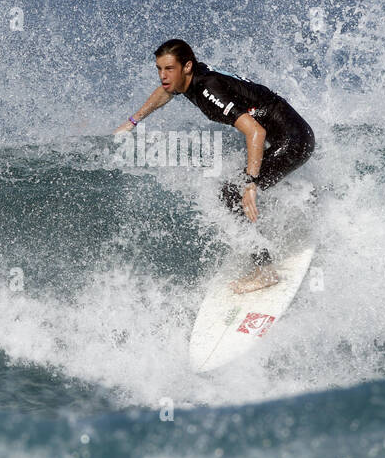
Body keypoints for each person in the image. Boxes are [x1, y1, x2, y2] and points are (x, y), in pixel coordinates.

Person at [114, 39, 315, 293]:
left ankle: (265, 272)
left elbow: (256, 132)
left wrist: (251, 183)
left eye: (169, 69)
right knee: (240, 184)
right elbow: (166, 91)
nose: (163, 76)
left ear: (187, 67)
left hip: (293, 141)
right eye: (159, 69)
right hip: (288, 132)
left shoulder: (208, 91)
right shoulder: (189, 79)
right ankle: (301, 204)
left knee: (232, 194)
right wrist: (133, 121)